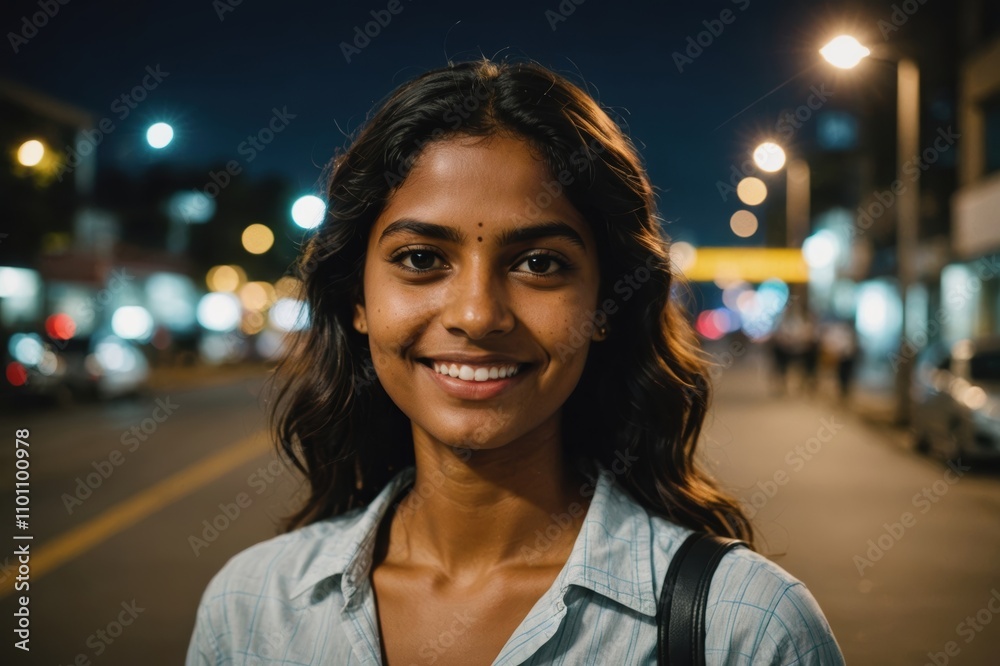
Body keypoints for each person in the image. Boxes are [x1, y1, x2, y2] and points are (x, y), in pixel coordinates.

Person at [186, 58, 845, 665]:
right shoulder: (250, 612)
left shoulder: (745, 628)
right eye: (421, 259)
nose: (476, 315)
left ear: (606, 303)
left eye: (539, 264)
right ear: (356, 297)